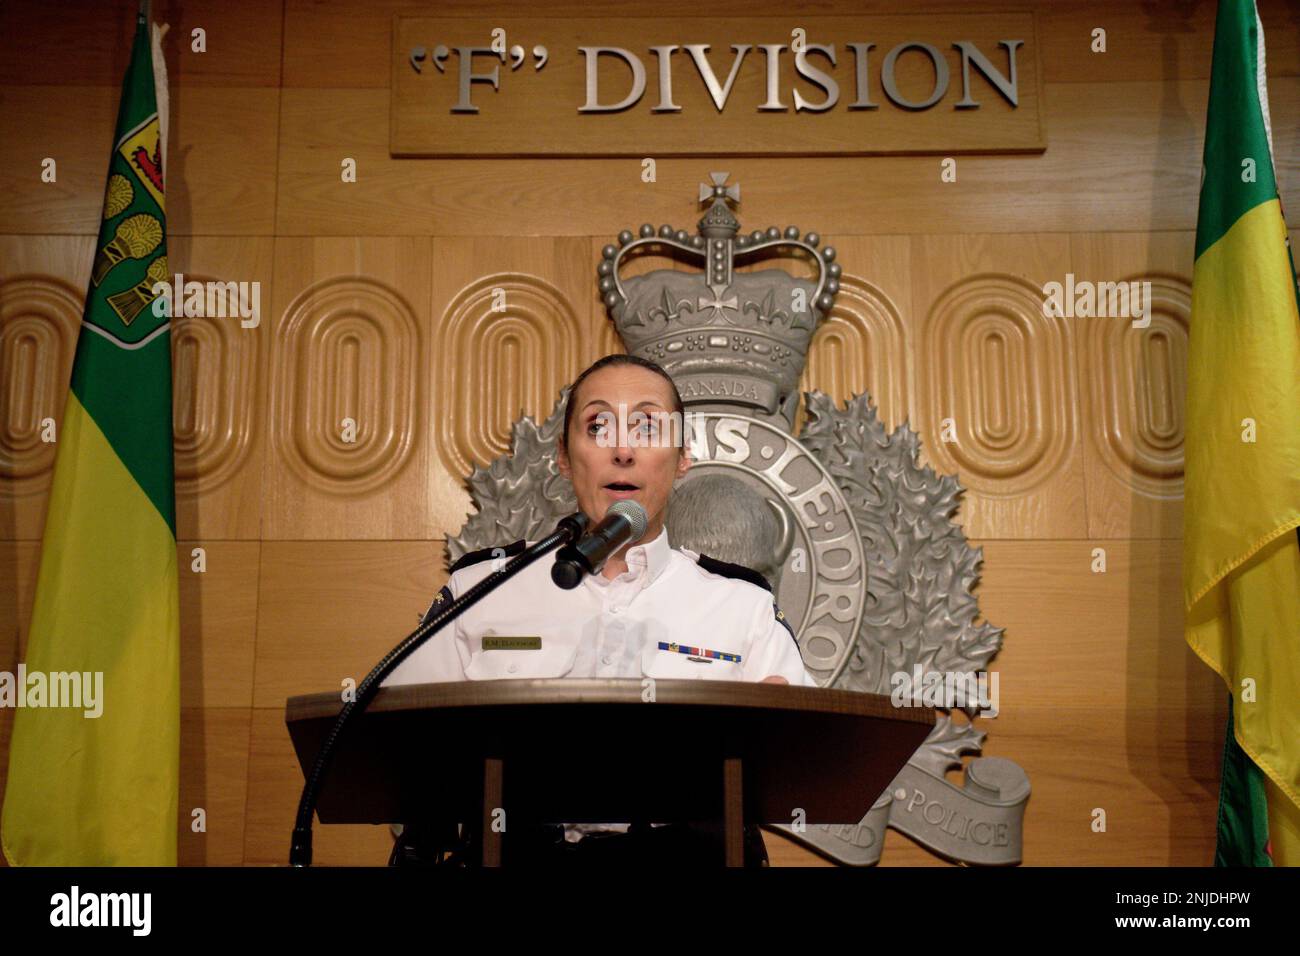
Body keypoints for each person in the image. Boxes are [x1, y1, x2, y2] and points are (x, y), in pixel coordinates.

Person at [384, 354, 814, 867]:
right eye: (598, 425)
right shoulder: (481, 588)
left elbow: (807, 765)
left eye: (648, 428)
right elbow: (397, 749)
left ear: (682, 460)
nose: (623, 451)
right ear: (565, 456)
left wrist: (780, 731)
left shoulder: (742, 603)